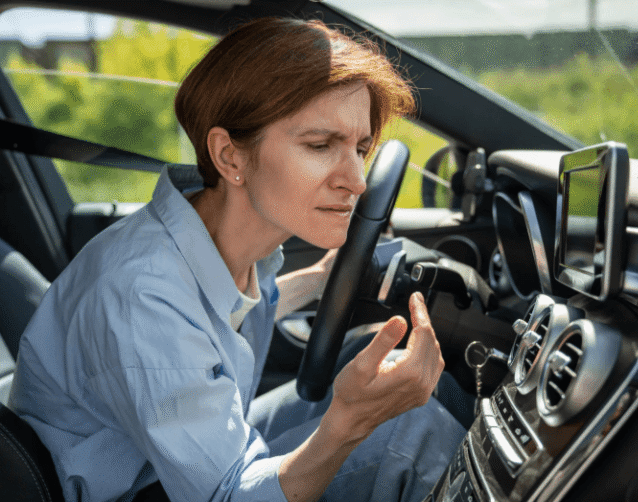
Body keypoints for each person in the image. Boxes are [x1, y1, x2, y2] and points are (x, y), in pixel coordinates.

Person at [8, 16, 466, 502]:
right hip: (143, 489)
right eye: (319, 145)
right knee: (413, 431)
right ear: (230, 157)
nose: (356, 180)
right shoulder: (143, 295)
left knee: (379, 368)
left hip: (173, 459)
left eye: (361, 148)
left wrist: (320, 280)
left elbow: (220, 314)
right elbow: (228, 496)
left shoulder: (218, 242)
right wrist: (347, 424)